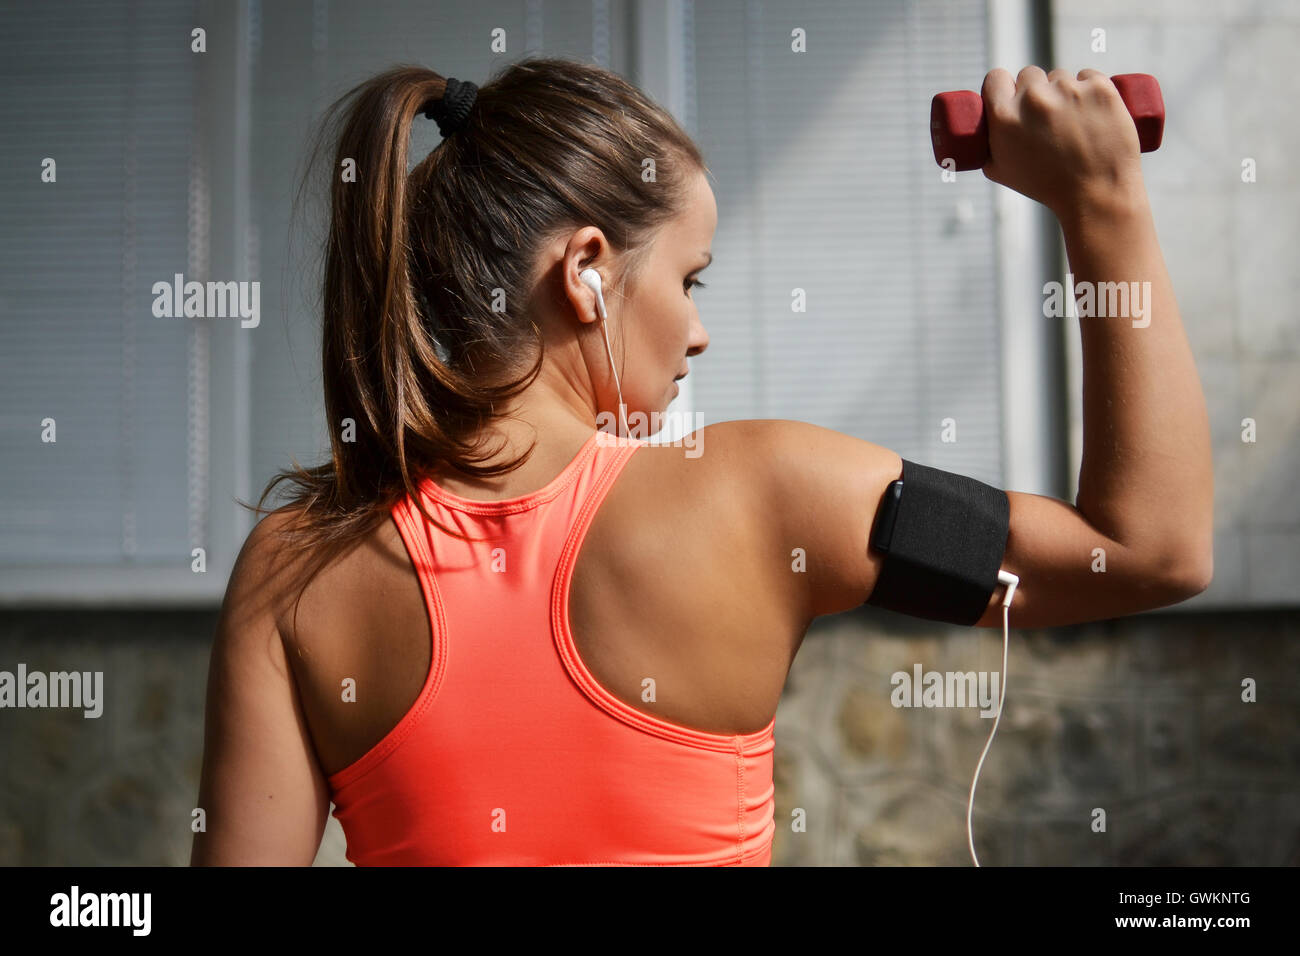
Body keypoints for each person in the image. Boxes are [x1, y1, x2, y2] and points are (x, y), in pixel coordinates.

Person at [191, 57, 1213, 866]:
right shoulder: (766, 495)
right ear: (588, 271)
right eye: (693, 278)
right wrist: (1103, 200)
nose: (697, 331)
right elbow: (1147, 549)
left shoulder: (294, 567)